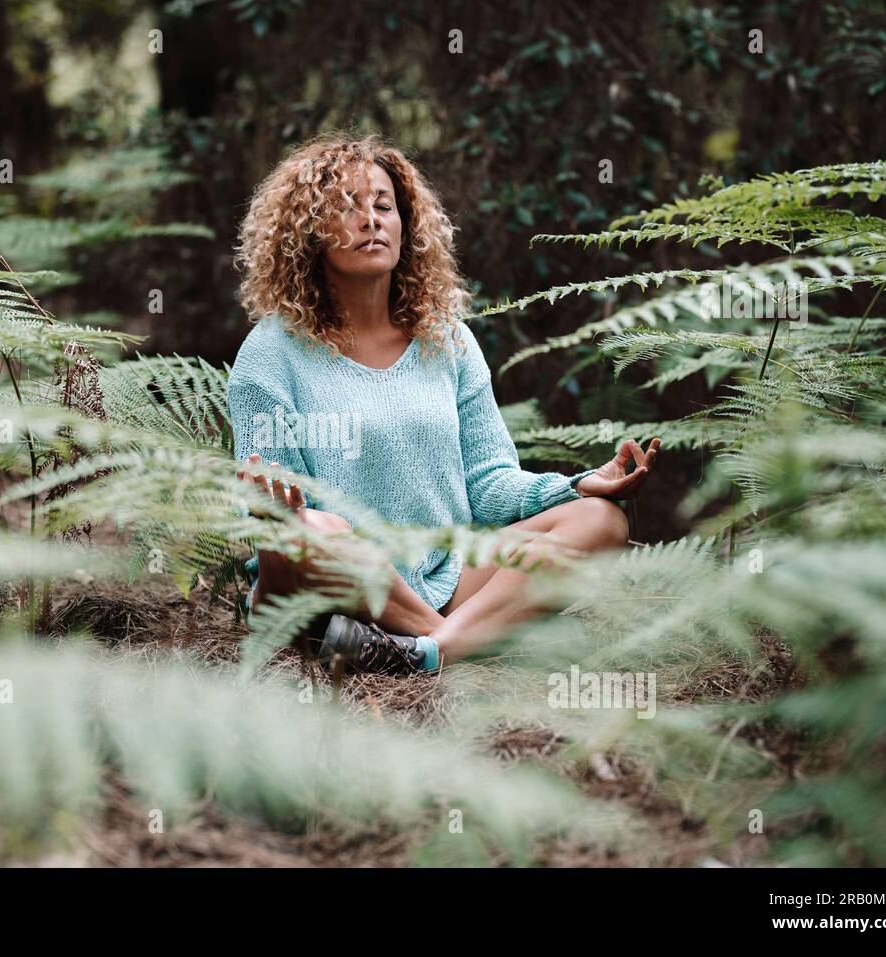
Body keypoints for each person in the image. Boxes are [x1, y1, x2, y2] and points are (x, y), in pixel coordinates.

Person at [228, 134, 659, 676]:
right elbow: (273, 513)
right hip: (334, 581)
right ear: (307, 232)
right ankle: (463, 637)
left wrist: (574, 486)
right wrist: (278, 509)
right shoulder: (271, 353)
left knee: (600, 520)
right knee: (315, 531)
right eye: (347, 207)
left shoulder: (446, 339)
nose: (371, 220)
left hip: (446, 575)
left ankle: (422, 651)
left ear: (407, 227)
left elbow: (488, 483)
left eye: (383, 206)